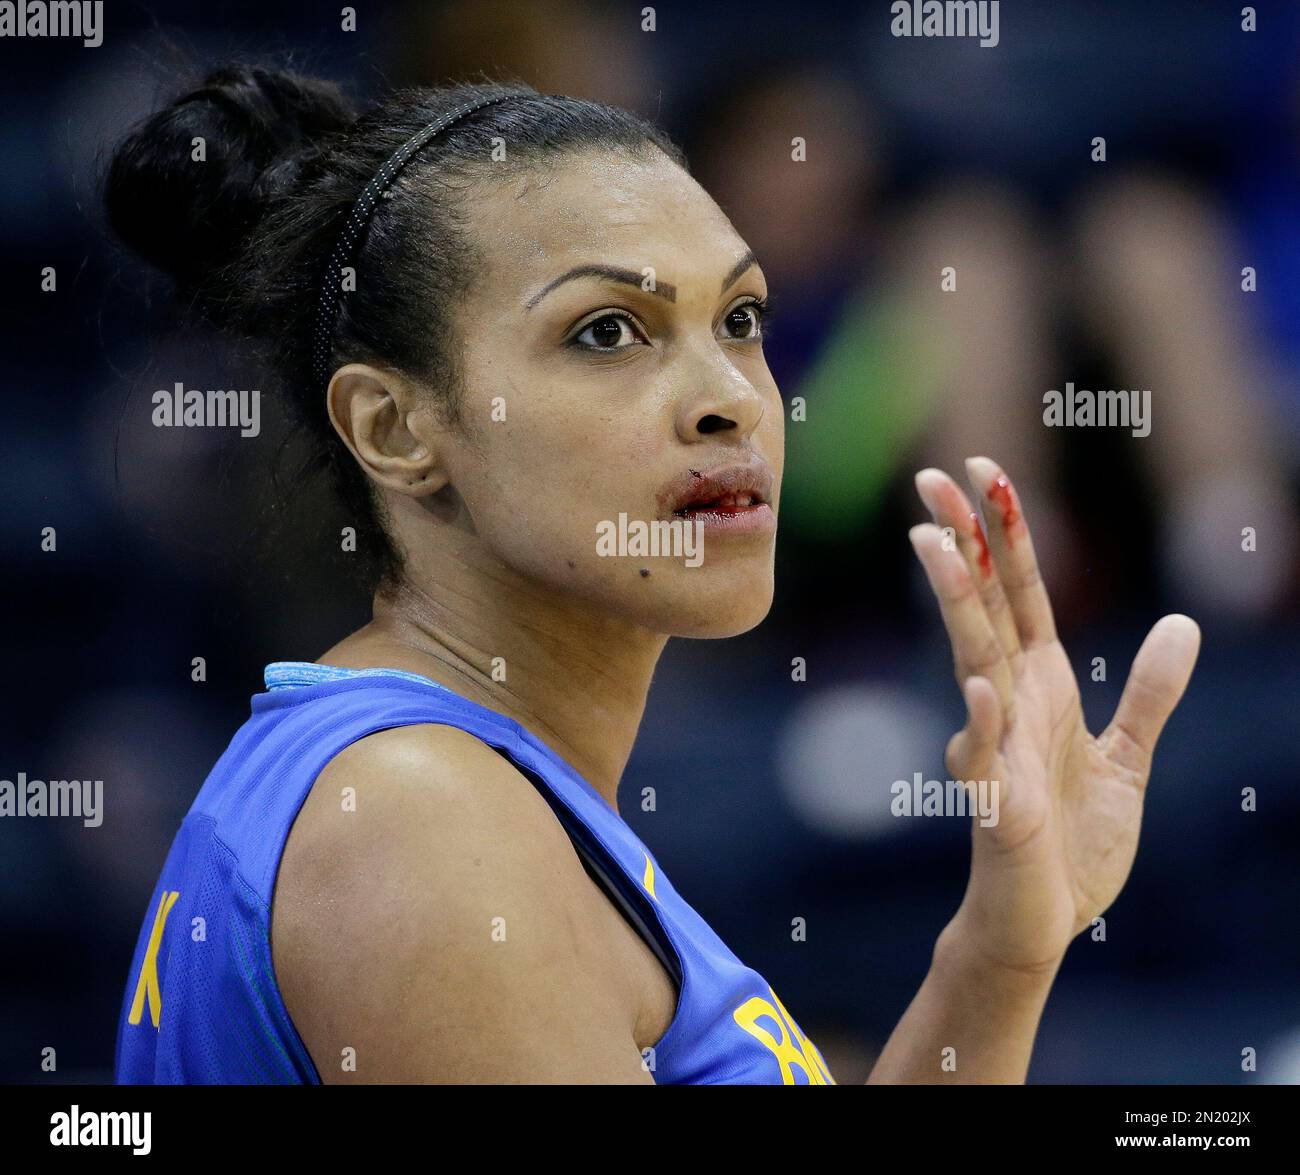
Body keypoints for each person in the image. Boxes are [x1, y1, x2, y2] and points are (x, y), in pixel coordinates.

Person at [109, 67, 1201, 1084]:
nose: (727, 394)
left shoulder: (456, 785)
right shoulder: (418, 821)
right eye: (607, 330)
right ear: (393, 426)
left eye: (739, 319)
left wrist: (1003, 948)